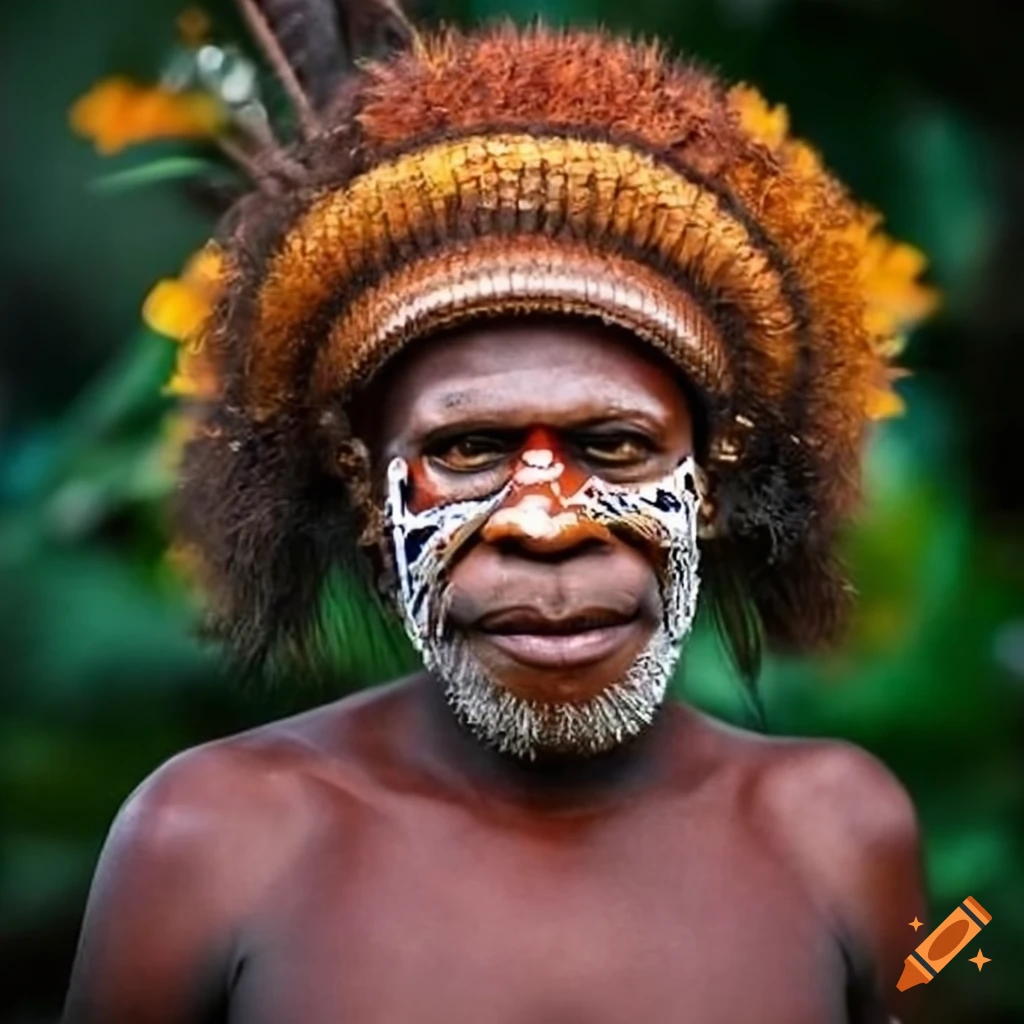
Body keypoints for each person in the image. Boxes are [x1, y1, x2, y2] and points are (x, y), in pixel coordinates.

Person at [63, 2, 938, 1021]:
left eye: (612, 446)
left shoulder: (842, 830)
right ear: (366, 498)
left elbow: (943, 979)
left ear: (709, 483)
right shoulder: (208, 837)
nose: (545, 522)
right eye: (466, 452)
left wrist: (957, 969)